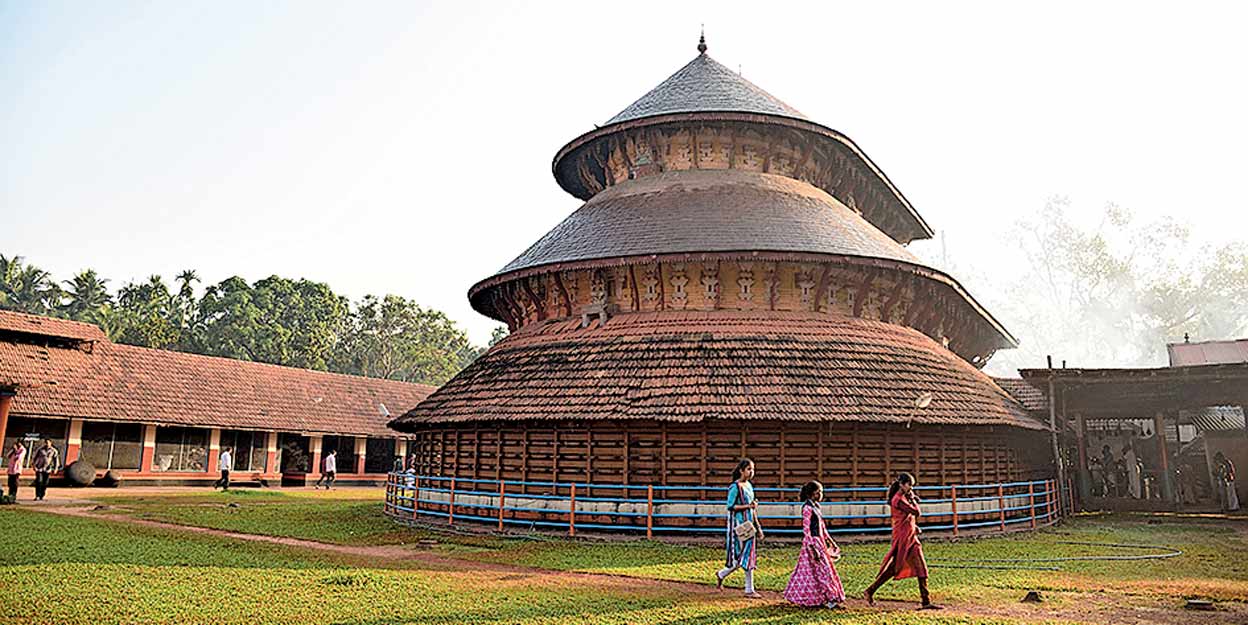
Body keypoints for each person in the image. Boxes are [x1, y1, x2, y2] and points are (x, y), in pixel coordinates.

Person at [864, 472, 940, 609]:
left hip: (911, 536)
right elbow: (916, 512)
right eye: (909, 485)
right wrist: (913, 499)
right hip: (903, 537)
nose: (911, 488)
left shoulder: (903, 497)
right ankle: (870, 590)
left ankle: (926, 600)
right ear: (901, 485)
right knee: (895, 567)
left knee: (921, 567)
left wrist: (914, 526)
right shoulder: (898, 499)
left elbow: (906, 517)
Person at [783, 480, 845, 609]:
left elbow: (822, 527)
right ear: (811, 494)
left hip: (820, 541)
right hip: (813, 543)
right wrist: (812, 547)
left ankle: (822, 598)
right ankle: (830, 599)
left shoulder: (816, 506)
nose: (821, 495)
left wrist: (831, 541)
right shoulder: (807, 508)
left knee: (816, 572)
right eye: (818, 492)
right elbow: (806, 530)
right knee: (823, 571)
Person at [715, 459, 762, 598]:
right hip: (739, 526)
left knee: (747, 555)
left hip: (749, 524)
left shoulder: (749, 486)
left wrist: (758, 526)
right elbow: (730, 506)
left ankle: (724, 575)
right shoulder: (735, 487)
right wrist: (748, 506)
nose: (751, 472)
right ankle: (748, 588)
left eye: (753, 469)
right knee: (743, 555)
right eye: (749, 469)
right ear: (741, 470)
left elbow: (753, 508)